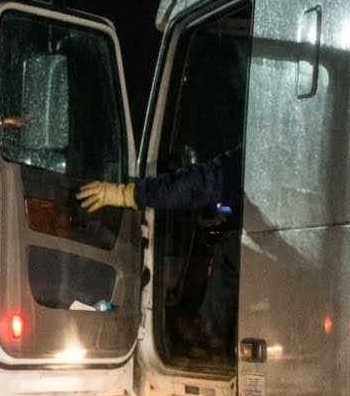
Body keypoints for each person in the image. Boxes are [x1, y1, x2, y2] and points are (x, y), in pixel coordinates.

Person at [75, 144, 242, 359]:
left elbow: (204, 182)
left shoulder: (261, 146)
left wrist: (130, 194)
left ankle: (210, 331)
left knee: (229, 248)